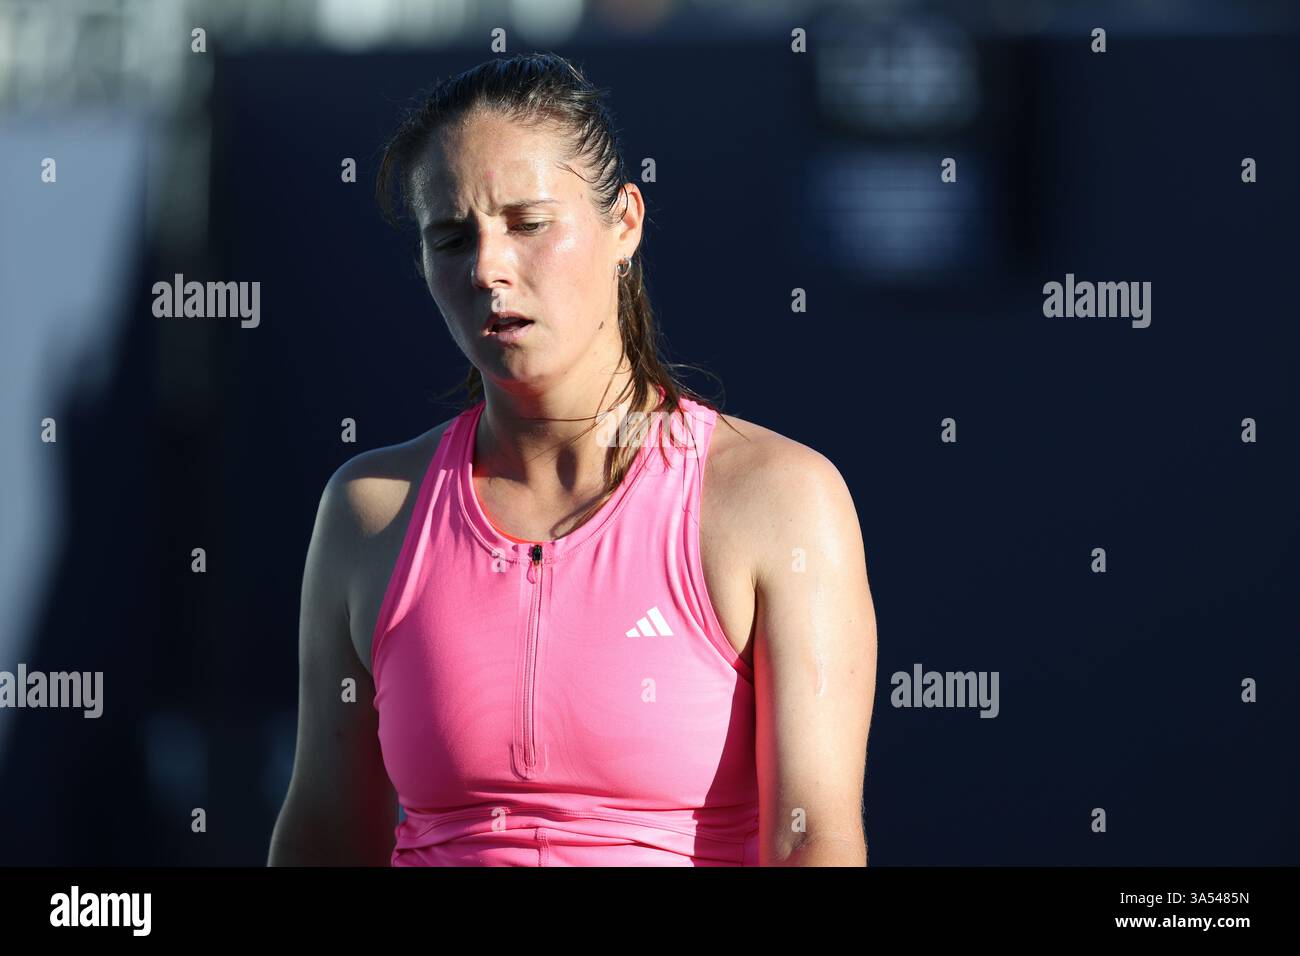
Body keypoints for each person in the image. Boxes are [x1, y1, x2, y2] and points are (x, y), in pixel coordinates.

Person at [268, 52, 877, 867]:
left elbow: (815, 844)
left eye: (528, 223)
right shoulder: (367, 510)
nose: (488, 268)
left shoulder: (781, 500)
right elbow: (323, 837)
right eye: (451, 237)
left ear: (624, 222)